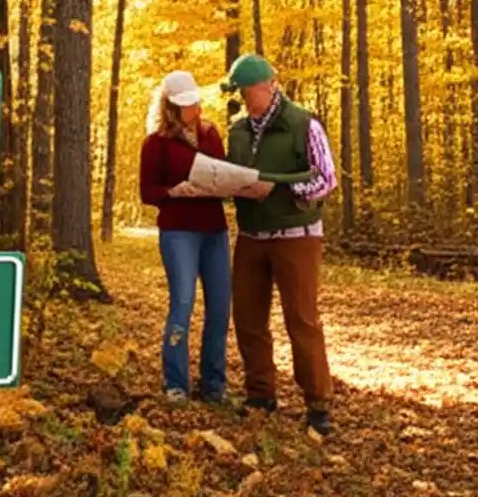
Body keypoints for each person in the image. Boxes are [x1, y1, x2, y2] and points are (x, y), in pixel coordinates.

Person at [221, 53, 338, 436]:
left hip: (297, 236)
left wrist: (283, 189)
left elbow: (326, 179)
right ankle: (260, 397)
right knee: (249, 319)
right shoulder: (237, 130)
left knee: (301, 320)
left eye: (243, 90)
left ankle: (318, 405)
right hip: (252, 236)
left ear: (266, 86)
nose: (239, 97)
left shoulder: (303, 123)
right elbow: (233, 174)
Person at [138, 70, 231, 404]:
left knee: (220, 306)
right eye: (185, 104)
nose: (193, 108)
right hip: (179, 231)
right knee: (182, 304)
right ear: (170, 107)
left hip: (214, 229)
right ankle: (175, 382)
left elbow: (222, 173)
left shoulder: (211, 134)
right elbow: (147, 192)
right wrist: (173, 191)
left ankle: (214, 384)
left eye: (195, 101)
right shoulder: (156, 143)